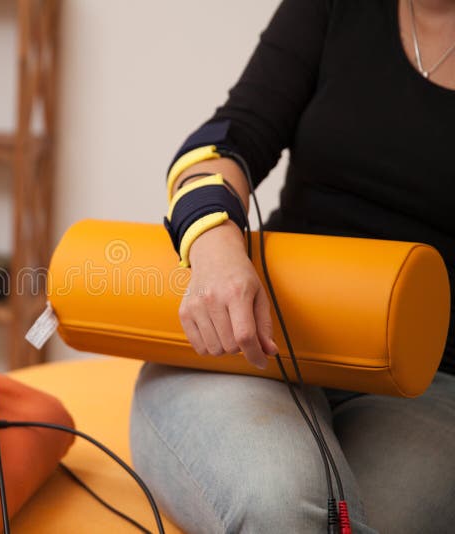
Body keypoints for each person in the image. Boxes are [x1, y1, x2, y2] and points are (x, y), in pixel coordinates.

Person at [129, 0, 455, 532]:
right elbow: (225, 141)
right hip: (261, 339)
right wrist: (215, 249)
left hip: (430, 382)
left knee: (347, 522)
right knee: (284, 505)